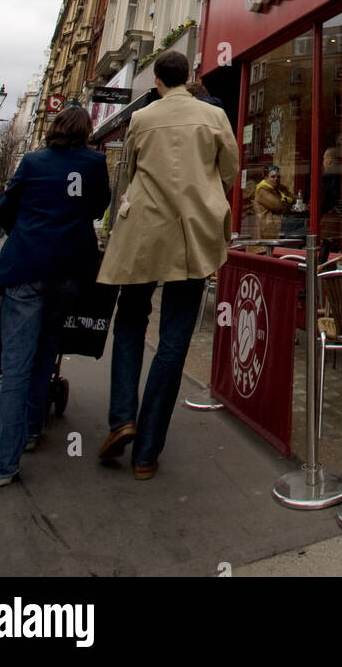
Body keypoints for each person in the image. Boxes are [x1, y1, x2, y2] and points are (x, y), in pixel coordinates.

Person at [97, 50, 238, 480]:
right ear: (187, 77)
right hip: (192, 231)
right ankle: (147, 452)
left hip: (144, 228)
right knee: (175, 337)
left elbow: (132, 171)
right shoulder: (214, 118)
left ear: (157, 78)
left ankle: (123, 416)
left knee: (131, 320)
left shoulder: (142, 119)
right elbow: (229, 170)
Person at [0, 107, 110, 486]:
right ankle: (34, 428)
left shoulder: (34, 161)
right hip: (71, 268)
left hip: (28, 264)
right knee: (46, 349)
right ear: (86, 132)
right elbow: (98, 207)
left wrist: (25, 230)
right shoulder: (95, 163)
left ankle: (5, 460)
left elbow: (7, 208)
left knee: (17, 359)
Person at [253, 163, 293, 239]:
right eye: (273, 177)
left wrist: (284, 193)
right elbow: (279, 206)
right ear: (266, 178)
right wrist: (288, 201)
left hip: (277, 224)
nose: (276, 179)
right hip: (268, 226)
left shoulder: (278, 189)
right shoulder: (262, 190)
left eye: (278, 177)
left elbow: (295, 198)